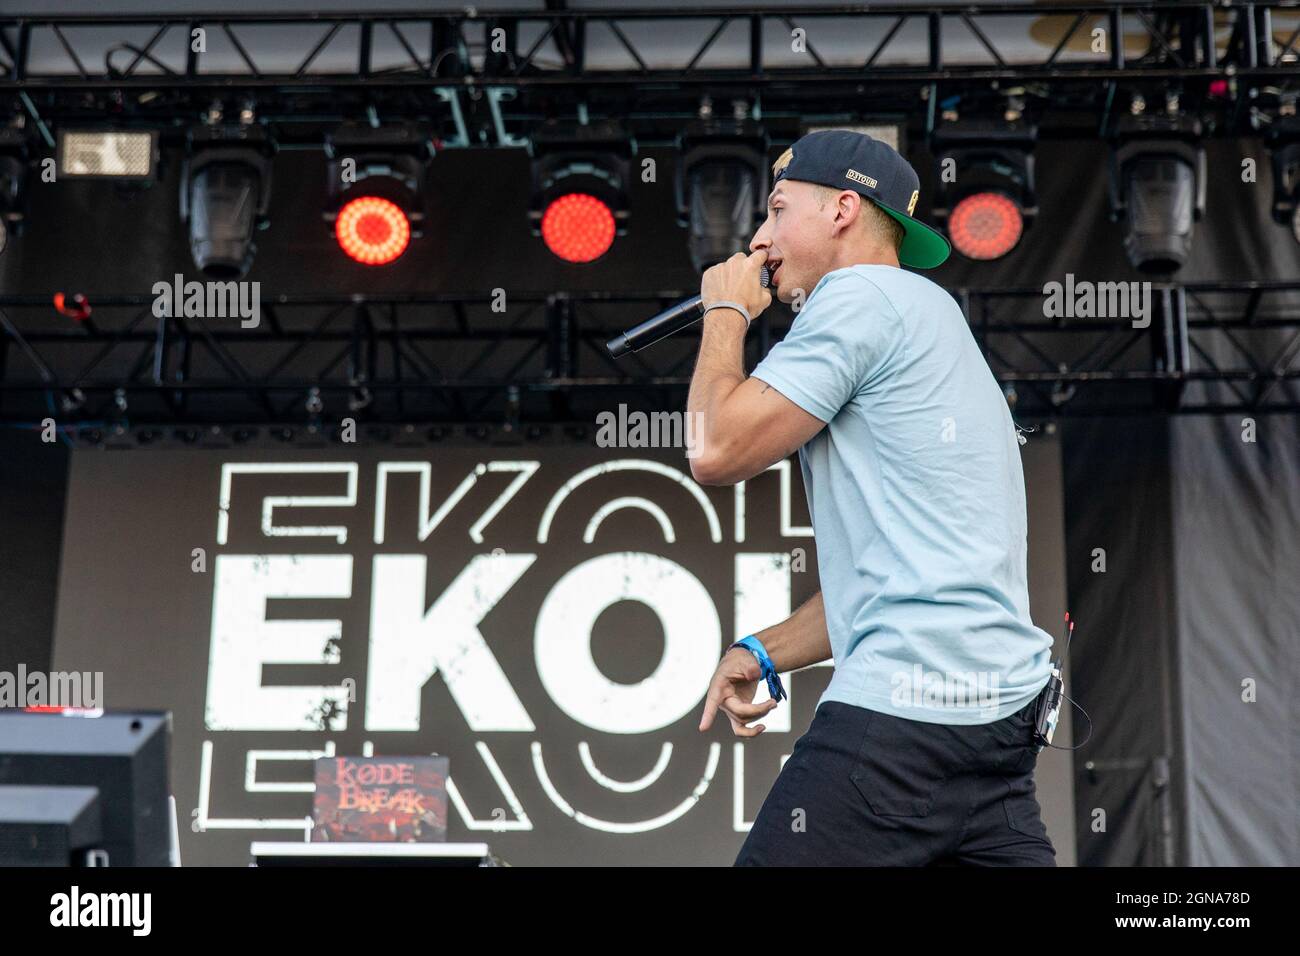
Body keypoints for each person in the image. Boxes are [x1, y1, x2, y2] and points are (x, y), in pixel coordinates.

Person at [687, 129, 1056, 865]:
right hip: (994, 729)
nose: (760, 239)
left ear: (843, 209)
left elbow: (715, 448)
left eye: (777, 210)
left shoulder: (860, 296)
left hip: (907, 721)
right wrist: (763, 651)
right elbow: (903, 580)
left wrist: (724, 312)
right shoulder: (931, 320)